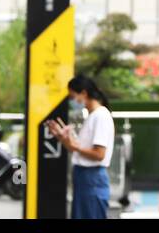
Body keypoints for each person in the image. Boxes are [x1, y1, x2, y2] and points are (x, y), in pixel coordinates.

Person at [46, 75, 113, 219]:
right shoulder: (92, 116)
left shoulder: (100, 116)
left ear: (84, 93)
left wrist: (74, 146)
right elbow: (76, 149)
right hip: (84, 177)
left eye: (72, 96)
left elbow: (99, 154)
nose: (72, 101)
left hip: (92, 178)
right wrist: (62, 137)